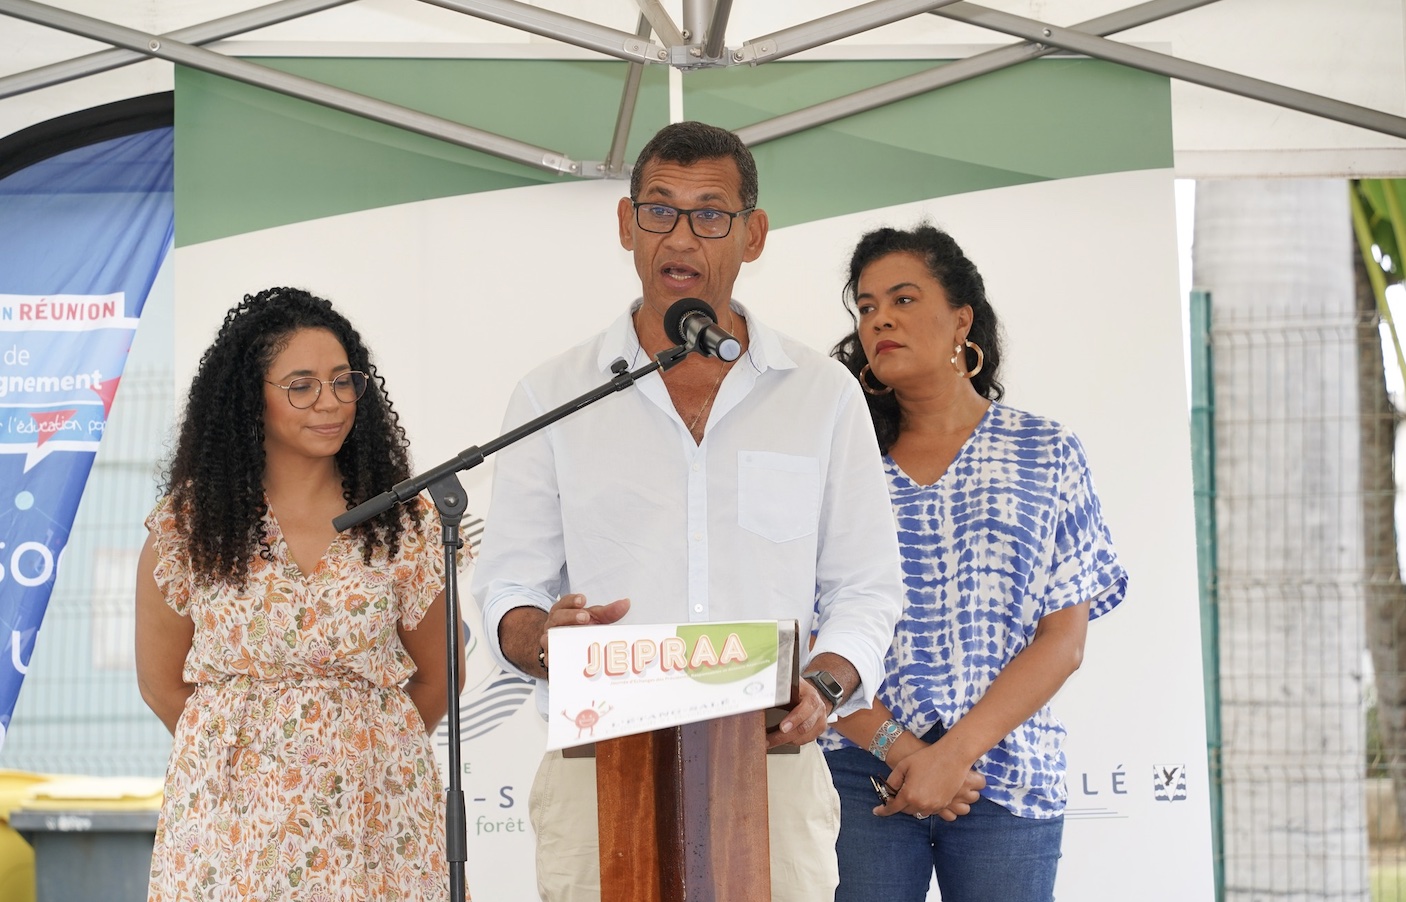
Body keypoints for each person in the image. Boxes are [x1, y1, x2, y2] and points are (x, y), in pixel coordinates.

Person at [471, 121, 937, 902]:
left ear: (752, 235)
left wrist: (823, 686)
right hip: (597, 768)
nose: (681, 236)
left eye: (710, 214)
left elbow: (867, 588)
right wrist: (538, 637)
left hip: (771, 772)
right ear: (626, 225)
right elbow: (506, 586)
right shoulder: (553, 396)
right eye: (659, 210)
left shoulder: (820, 396)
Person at [823, 224, 1129, 902]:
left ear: (962, 317)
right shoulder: (838, 461)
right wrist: (904, 752)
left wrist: (952, 757)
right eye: (867, 307)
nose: (881, 320)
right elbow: (808, 637)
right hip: (859, 770)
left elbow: (1064, 640)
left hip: (1006, 776)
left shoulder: (1044, 451)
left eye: (902, 299)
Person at [134, 287, 466, 901]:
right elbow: (161, 684)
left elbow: (440, 677)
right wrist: (264, 754)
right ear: (249, 400)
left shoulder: (405, 521)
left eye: (344, 381)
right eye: (302, 385)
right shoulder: (189, 526)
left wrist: (359, 748)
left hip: (378, 814)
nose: (331, 403)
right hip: (230, 823)